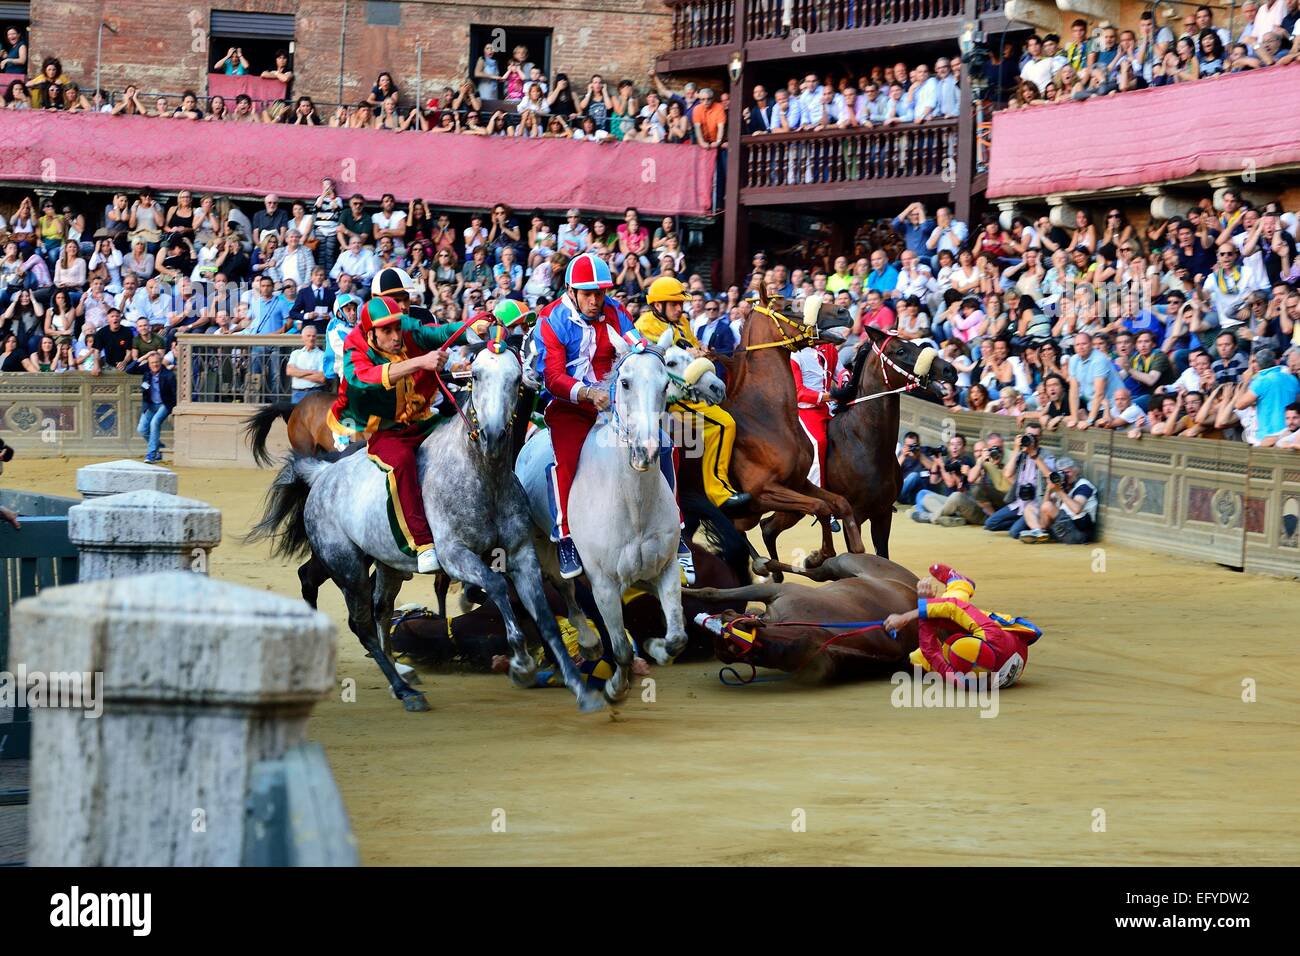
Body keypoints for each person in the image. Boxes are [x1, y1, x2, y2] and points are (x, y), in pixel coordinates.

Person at [330, 295, 466, 574]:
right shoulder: (353, 348)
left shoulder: (406, 331)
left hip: (421, 421)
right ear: (371, 334)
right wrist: (421, 362)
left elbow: (437, 333)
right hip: (385, 432)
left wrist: (474, 325)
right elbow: (365, 378)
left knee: (461, 433)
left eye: (396, 328)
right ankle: (424, 544)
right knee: (402, 461)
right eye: (386, 331)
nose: (395, 336)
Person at [531, 253, 637, 579]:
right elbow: (552, 378)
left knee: (663, 440)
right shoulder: (550, 320)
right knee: (567, 461)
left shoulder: (615, 310)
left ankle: (676, 526)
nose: (595, 301)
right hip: (569, 407)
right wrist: (589, 393)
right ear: (571, 291)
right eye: (587, 294)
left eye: (600, 293)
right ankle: (564, 536)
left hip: (615, 401)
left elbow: (637, 344)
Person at [635, 275, 749, 509]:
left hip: (691, 387)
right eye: (675, 304)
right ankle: (719, 494)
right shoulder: (645, 325)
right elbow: (664, 357)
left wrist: (701, 350)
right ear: (658, 305)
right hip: (670, 398)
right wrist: (691, 354)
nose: (680, 308)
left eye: (681, 303)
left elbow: (692, 343)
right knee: (723, 424)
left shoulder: (682, 321)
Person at [883, 564, 1042, 689]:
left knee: (916, 660)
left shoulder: (964, 681)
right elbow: (954, 607)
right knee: (947, 616)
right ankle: (960, 584)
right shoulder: (991, 635)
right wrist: (920, 610)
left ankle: (959, 584)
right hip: (1011, 641)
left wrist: (923, 605)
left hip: (1006, 654)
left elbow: (930, 651)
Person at [1018, 455, 1097, 544]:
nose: (1065, 476)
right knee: (1029, 508)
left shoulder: (1084, 485)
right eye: (1062, 473)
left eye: (1067, 472)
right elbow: (1043, 512)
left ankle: (1039, 533)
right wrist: (1049, 489)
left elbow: (1077, 509)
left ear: (1076, 471)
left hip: (1079, 534)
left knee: (1048, 506)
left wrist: (1058, 490)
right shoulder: (1062, 486)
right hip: (1062, 529)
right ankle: (1038, 532)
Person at [127, 350, 176, 464]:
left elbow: (174, 394)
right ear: (148, 364)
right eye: (152, 362)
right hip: (150, 404)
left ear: (161, 362)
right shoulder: (147, 371)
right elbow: (129, 370)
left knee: (154, 423)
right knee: (142, 429)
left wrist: (173, 409)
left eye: (157, 362)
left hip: (164, 405)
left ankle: (151, 455)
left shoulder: (168, 375)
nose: (155, 365)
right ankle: (158, 446)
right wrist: (144, 356)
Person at [323, 292, 359, 393]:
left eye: (354, 309)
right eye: (348, 310)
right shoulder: (335, 330)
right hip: (342, 369)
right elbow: (349, 353)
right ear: (339, 313)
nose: (353, 312)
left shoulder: (356, 327)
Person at [286, 325, 327, 404]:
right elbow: (290, 371)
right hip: (297, 394)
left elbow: (321, 378)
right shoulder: (295, 353)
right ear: (303, 337)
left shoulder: (322, 355)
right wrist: (312, 372)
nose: (311, 338)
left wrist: (298, 373)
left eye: (313, 336)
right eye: (308, 336)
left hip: (315, 393)